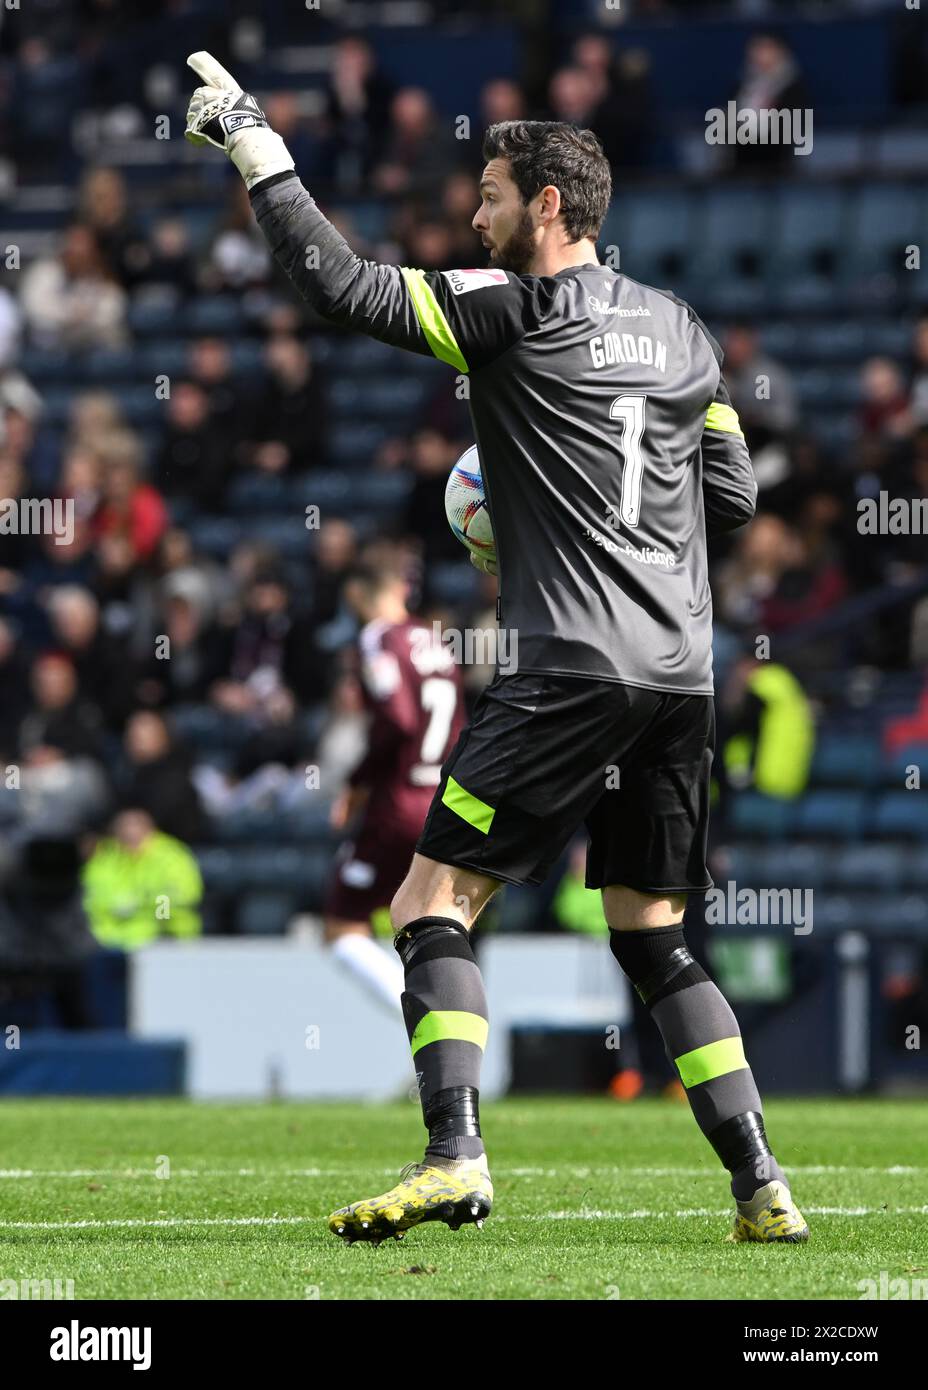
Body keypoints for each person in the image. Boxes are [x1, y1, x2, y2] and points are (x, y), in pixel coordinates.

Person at [185, 54, 807, 1248]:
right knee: (655, 934)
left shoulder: (503, 313)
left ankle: (454, 1156)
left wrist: (255, 145)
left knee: (431, 906)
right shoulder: (683, 332)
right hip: (678, 673)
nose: (474, 214)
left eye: (489, 194)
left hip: (569, 661)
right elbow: (725, 498)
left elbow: (341, 288)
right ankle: (761, 1183)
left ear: (549, 207)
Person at [323, 563, 465, 1016]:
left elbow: (398, 719)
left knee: (342, 925)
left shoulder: (379, 638)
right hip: (442, 800)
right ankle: (448, 1046)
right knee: (431, 924)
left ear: (364, 598)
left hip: (398, 802)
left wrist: (357, 784)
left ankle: (423, 1017)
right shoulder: (436, 641)